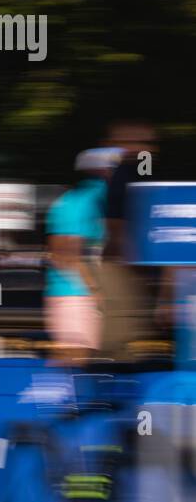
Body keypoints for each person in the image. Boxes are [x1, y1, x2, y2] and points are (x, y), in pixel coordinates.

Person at [43, 148, 120, 367]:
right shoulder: (81, 203)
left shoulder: (91, 200)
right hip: (75, 295)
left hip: (79, 294)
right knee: (73, 358)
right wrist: (95, 291)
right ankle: (45, 398)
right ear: (105, 171)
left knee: (80, 360)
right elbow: (66, 255)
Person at [99, 121, 159, 362]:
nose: (141, 149)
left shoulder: (136, 174)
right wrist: (131, 258)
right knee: (120, 337)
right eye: (131, 142)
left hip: (129, 266)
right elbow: (115, 224)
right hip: (119, 266)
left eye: (146, 143)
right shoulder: (121, 176)